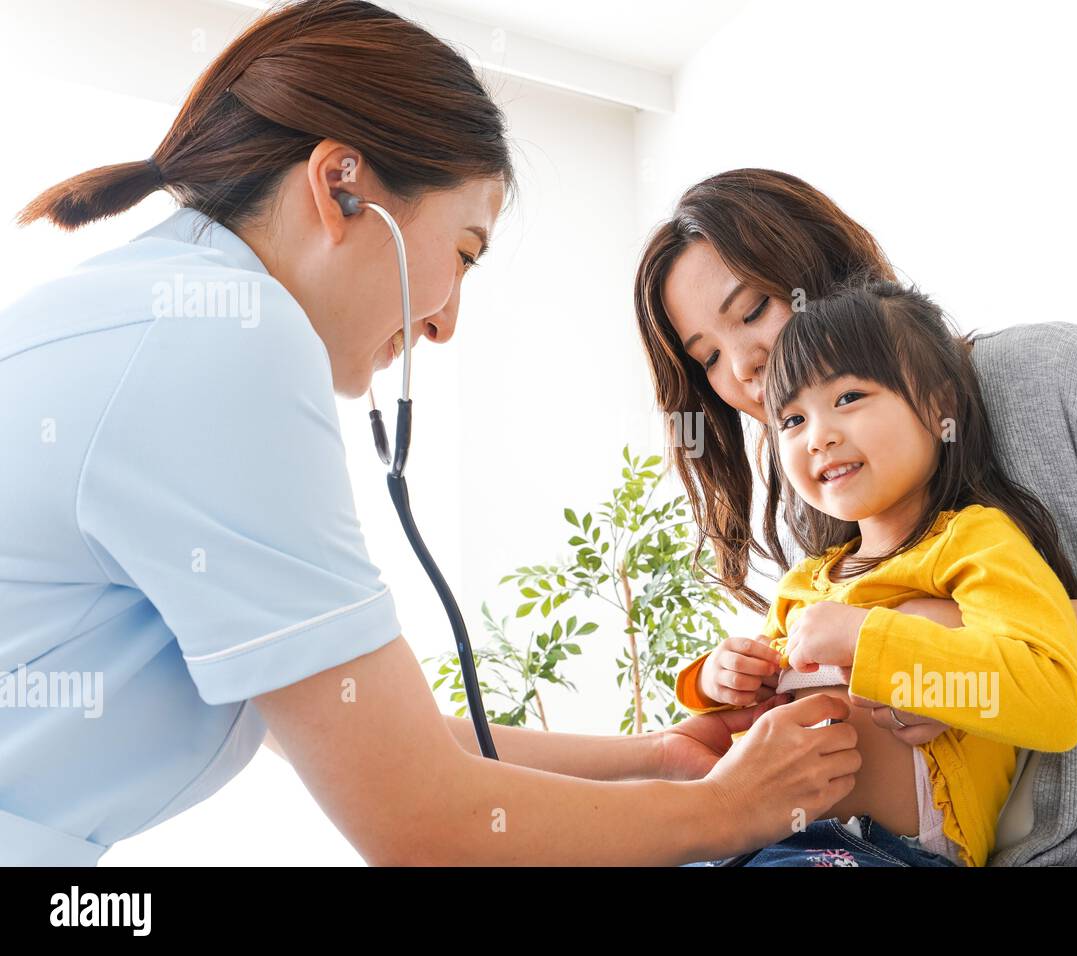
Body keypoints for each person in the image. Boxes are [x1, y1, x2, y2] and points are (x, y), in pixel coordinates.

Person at [0, 0, 862, 867]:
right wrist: (735, 811)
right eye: (464, 252)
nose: (445, 322)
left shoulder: (164, 307)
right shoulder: (221, 341)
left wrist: (662, 760)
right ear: (342, 189)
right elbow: (421, 822)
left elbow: (384, 742)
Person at [634, 167, 1077, 865]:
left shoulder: (1047, 377)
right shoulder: (830, 511)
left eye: (754, 309)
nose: (743, 365)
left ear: (830, 277)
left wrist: (945, 639)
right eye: (706, 356)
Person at [677, 279, 1077, 867]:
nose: (818, 435)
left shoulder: (974, 542)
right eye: (791, 420)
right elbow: (739, 727)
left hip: (884, 855)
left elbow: (1055, 699)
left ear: (938, 404)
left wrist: (869, 640)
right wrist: (719, 680)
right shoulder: (807, 581)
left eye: (847, 398)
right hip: (758, 840)